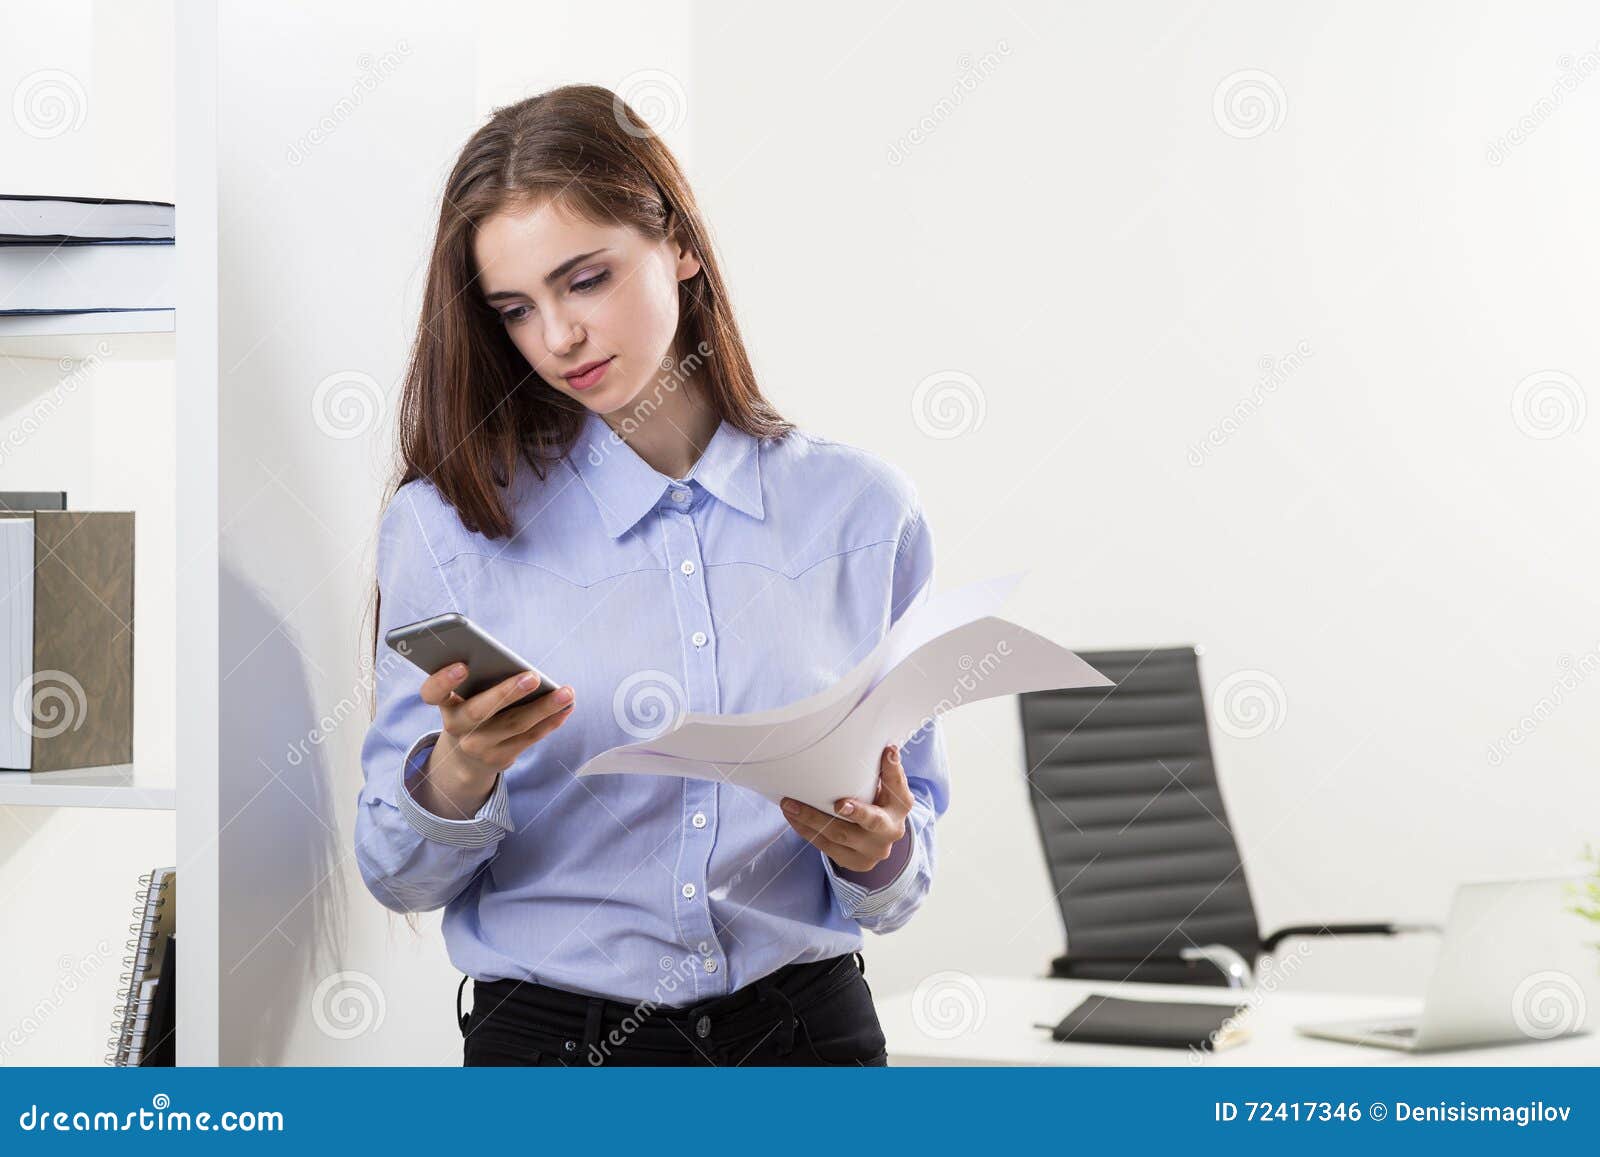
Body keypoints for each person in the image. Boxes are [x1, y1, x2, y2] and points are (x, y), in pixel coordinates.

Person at [355, 84, 949, 1067]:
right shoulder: (446, 526)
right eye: (515, 309)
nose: (558, 338)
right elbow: (398, 875)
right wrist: (458, 769)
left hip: (808, 1042)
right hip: (554, 1058)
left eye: (584, 279)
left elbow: (902, 858)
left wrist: (880, 845)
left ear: (677, 244)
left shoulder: (863, 511)